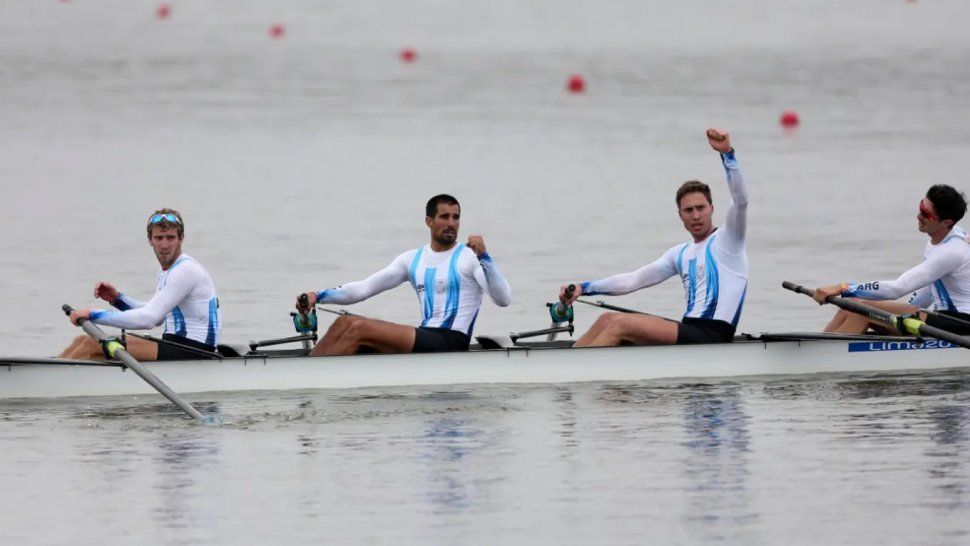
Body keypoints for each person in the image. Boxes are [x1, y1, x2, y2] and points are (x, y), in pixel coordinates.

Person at [557, 128, 748, 347]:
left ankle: (577, 374)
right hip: (691, 329)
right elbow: (633, 280)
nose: (695, 215)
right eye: (688, 210)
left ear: (711, 209)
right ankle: (565, 367)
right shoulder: (680, 253)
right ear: (680, 216)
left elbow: (741, 200)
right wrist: (584, 287)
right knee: (607, 319)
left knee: (621, 325)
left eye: (700, 208)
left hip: (714, 335)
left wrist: (728, 154)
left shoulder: (729, 240)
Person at [297, 194, 511, 356]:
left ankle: (307, 377)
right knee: (343, 324)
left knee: (359, 328)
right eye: (444, 217)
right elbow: (364, 288)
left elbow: (503, 299)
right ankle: (312, 372)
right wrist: (318, 295)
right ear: (429, 221)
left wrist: (485, 256)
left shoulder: (470, 257)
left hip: (452, 342)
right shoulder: (412, 259)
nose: (451, 223)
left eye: (456, 218)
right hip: (427, 336)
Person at [59, 208, 222, 360]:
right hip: (174, 345)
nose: (164, 245)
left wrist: (92, 315)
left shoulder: (186, 270)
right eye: (159, 238)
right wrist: (117, 299)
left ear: (181, 239)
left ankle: (50, 384)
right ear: (150, 240)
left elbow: (149, 319)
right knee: (81, 341)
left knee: (90, 344)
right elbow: (156, 315)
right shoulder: (166, 271)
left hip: (195, 351)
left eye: (171, 238)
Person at [813, 185, 970, 334]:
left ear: (947, 222)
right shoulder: (943, 238)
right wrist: (897, 312)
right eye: (921, 207)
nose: (918, 216)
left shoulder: (951, 252)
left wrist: (842, 288)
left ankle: (827, 358)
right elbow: (931, 287)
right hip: (942, 318)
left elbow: (897, 289)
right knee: (850, 306)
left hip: (962, 323)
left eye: (926, 214)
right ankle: (817, 350)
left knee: (861, 311)